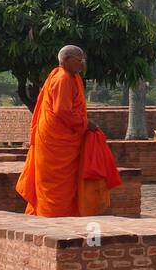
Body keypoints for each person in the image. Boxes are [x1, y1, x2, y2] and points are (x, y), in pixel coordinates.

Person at [15, 45, 98, 217]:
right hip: (56, 143)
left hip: (58, 139)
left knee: (61, 184)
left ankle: (55, 215)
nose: (82, 65)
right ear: (66, 60)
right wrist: (85, 123)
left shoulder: (66, 76)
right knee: (56, 185)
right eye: (79, 60)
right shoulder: (63, 79)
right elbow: (62, 111)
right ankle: (52, 219)